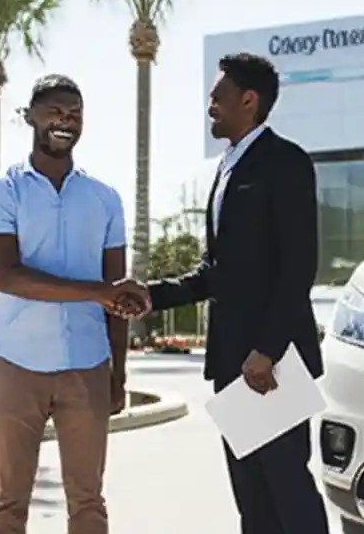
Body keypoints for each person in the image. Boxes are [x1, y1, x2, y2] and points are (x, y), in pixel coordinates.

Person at [147, 52, 328, 534]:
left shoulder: (284, 162)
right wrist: (150, 296)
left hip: (270, 365)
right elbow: (218, 272)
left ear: (249, 100)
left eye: (218, 95)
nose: (210, 104)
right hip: (233, 362)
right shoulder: (229, 167)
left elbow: (297, 267)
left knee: (289, 493)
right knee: (253, 499)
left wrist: (266, 351)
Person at [0, 74, 149, 534]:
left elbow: (120, 293)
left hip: (86, 365)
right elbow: (6, 276)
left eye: (74, 112)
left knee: (89, 503)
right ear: (30, 115)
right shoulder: (1, 192)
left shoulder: (104, 198)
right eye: (55, 109)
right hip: (18, 365)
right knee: (8, 504)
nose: (65, 120)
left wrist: (118, 373)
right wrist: (97, 292)